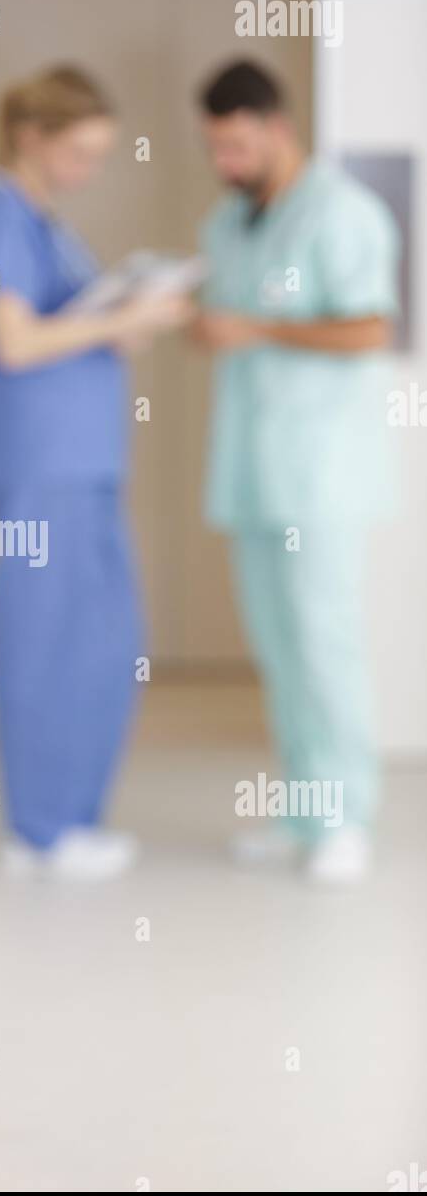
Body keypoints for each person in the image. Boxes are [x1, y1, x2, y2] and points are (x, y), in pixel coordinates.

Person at [0, 65, 188, 881]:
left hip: (80, 464)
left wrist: (118, 320)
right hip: (39, 465)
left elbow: (59, 326)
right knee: (47, 639)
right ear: (31, 137)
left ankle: (67, 819)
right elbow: (14, 342)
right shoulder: (1, 220)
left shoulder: (45, 224)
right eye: (79, 152)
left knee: (101, 638)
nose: (88, 169)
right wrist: (121, 318)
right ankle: (39, 830)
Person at [192, 60, 400, 885]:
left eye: (238, 146)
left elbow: (368, 329)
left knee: (325, 646)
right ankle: (302, 812)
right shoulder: (228, 221)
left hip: (319, 477)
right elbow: (230, 321)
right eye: (216, 148)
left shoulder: (342, 214)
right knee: (280, 653)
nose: (226, 163)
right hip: (251, 471)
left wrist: (256, 329)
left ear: (278, 129)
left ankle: (347, 815)